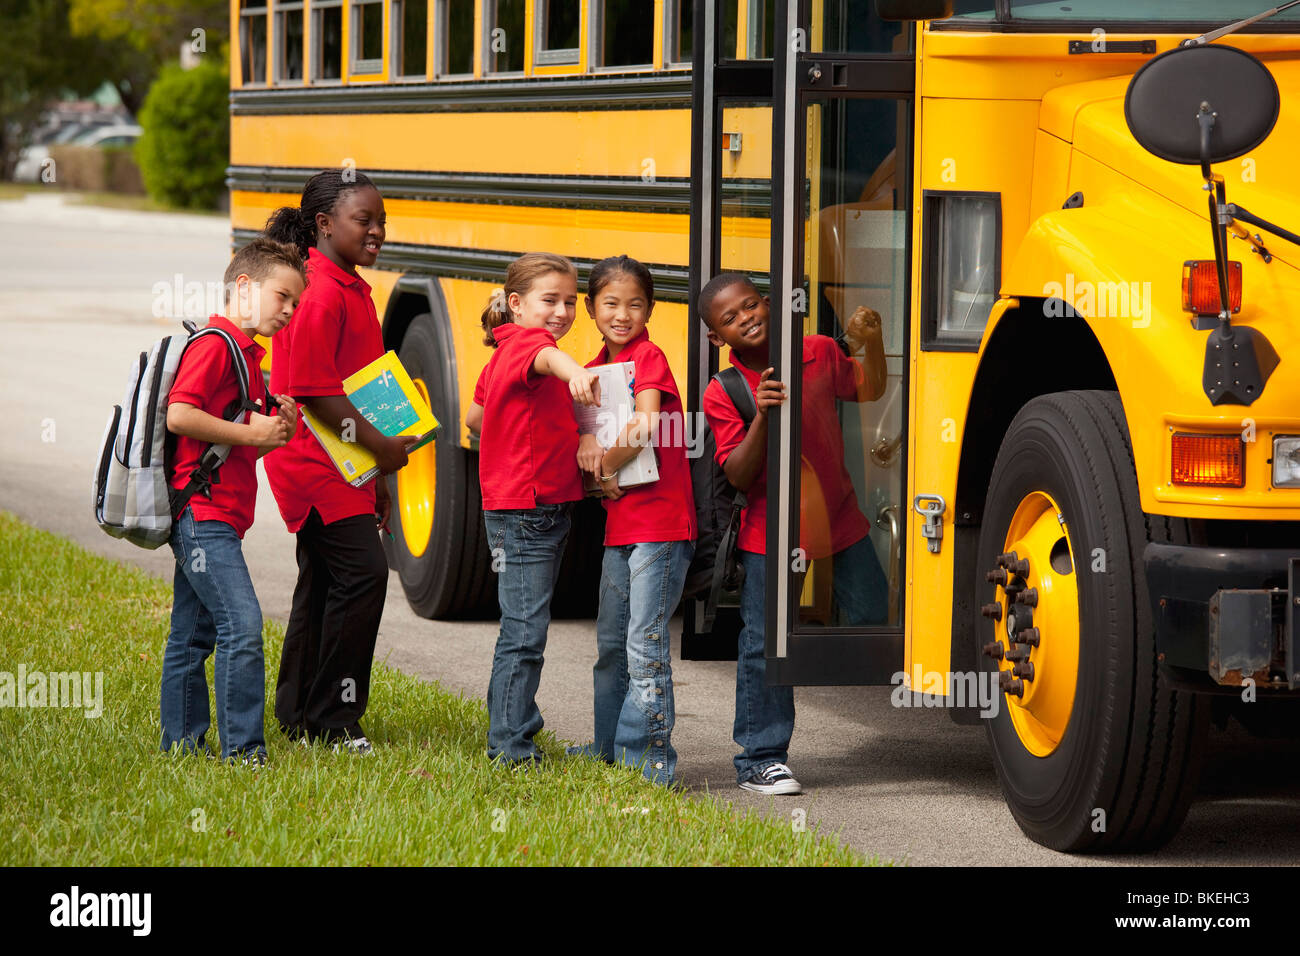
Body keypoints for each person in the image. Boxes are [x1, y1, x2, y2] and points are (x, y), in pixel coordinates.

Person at [698, 272, 889, 795]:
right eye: (730, 318)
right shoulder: (725, 390)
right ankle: (761, 756)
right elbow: (737, 473)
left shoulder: (820, 350)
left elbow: (869, 388)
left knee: (875, 614)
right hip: (771, 532)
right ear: (718, 338)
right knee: (763, 641)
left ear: (768, 303)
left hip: (838, 517)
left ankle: (810, 657)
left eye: (752, 305)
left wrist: (870, 343)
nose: (747, 318)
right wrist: (762, 413)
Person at [262, 169, 416, 755]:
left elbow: (362, 384)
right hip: (314, 463)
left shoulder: (347, 285)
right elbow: (312, 390)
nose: (377, 231)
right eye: (364, 220)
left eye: (382, 221)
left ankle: (298, 711)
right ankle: (335, 718)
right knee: (364, 575)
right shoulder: (321, 289)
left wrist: (374, 474)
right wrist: (380, 448)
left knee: (324, 579)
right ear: (324, 224)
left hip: (345, 463)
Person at [161, 236, 305, 764]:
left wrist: (277, 433)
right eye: (282, 297)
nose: (288, 311)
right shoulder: (215, 345)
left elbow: (232, 446)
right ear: (244, 287)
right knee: (242, 625)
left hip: (218, 514)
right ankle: (244, 752)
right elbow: (180, 415)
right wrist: (253, 434)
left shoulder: (246, 355)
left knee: (192, 634)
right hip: (202, 516)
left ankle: (181, 745)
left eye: (295, 303)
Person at [568, 255, 695, 786]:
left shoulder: (650, 357)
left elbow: (644, 423)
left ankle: (650, 760)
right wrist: (591, 459)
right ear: (591, 308)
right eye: (611, 304)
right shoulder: (593, 365)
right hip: (621, 525)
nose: (623, 314)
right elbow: (586, 435)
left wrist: (603, 470)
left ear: (651, 308)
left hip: (661, 526)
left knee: (645, 644)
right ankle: (607, 747)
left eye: (635, 304)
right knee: (611, 644)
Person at [475, 252, 600, 766]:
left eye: (571, 301)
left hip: (519, 509)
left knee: (521, 627)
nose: (562, 311)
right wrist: (572, 373)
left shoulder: (499, 353)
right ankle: (510, 746)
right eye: (550, 300)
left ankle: (514, 731)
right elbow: (550, 359)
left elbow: (474, 419)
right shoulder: (532, 346)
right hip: (529, 512)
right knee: (524, 632)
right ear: (516, 304)